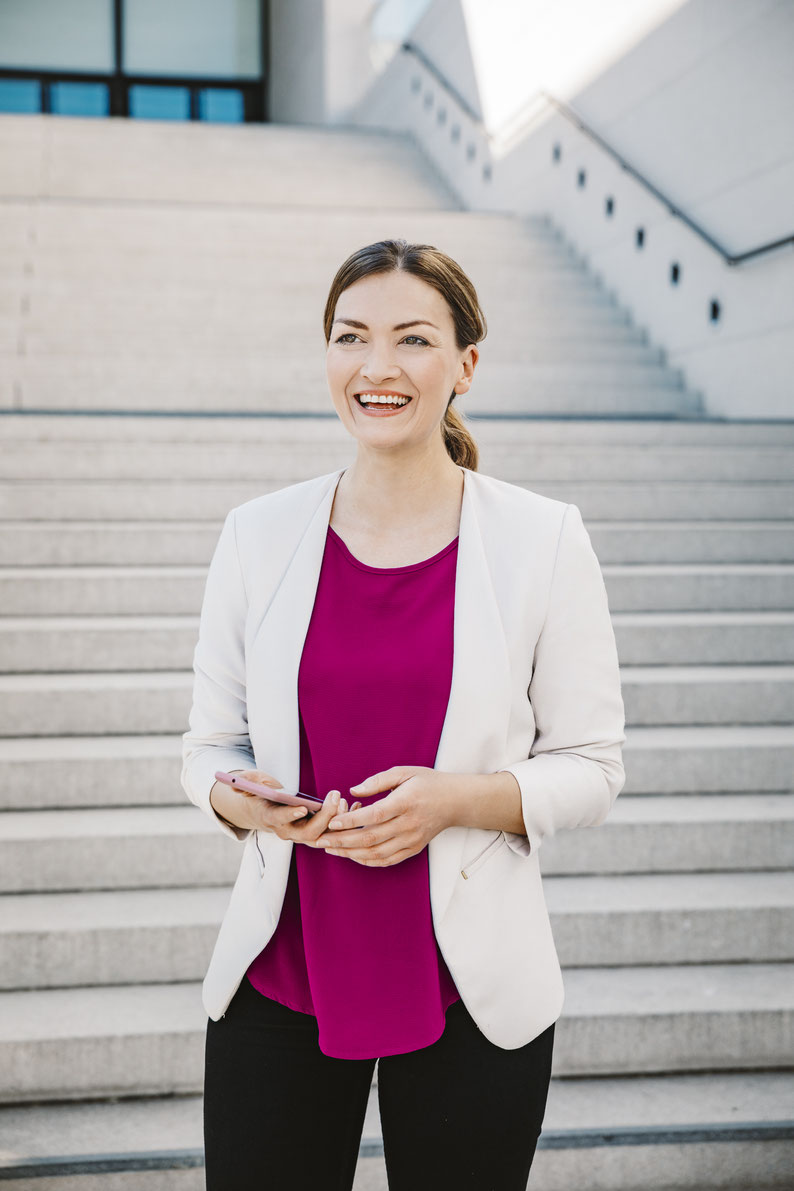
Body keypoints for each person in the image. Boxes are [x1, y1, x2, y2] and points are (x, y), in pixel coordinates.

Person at [181, 238, 626, 1191]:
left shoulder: (543, 538)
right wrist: (241, 799)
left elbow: (593, 765)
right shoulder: (257, 534)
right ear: (328, 356)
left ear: (466, 363)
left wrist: (456, 799)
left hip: (470, 985)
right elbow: (208, 745)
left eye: (413, 339)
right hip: (284, 967)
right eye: (352, 337)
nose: (377, 368)